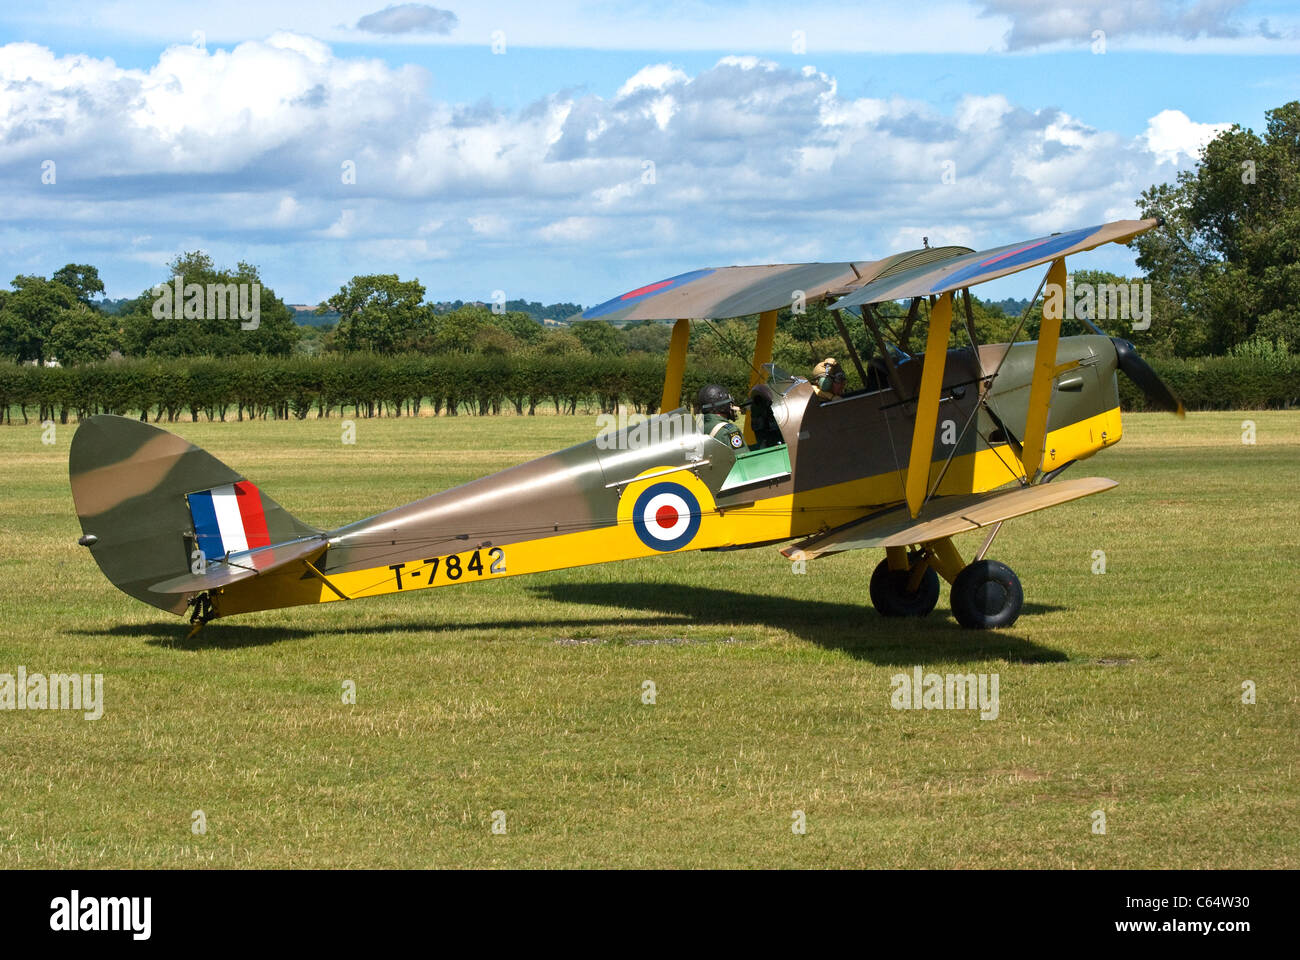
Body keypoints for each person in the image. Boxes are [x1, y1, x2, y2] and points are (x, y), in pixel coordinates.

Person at [697, 383, 747, 451]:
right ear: (723, 405)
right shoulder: (729, 431)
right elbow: (743, 459)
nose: (731, 407)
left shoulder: (697, 427)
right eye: (730, 404)